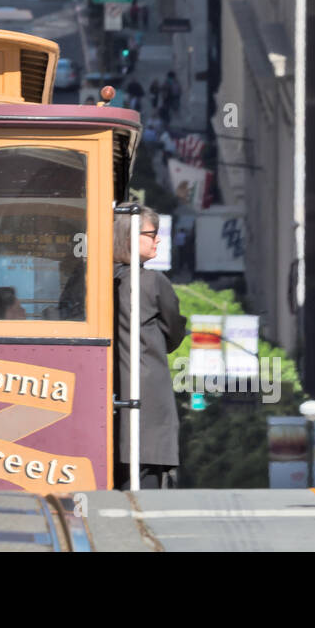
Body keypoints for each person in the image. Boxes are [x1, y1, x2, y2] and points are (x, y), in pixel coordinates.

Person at [112, 208, 185, 491]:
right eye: (152, 234)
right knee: (145, 474)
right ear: (129, 237)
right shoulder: (153, 283)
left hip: (106, 389)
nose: (158, 242)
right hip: (146, 394)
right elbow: (174, 331)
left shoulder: (93, 282)